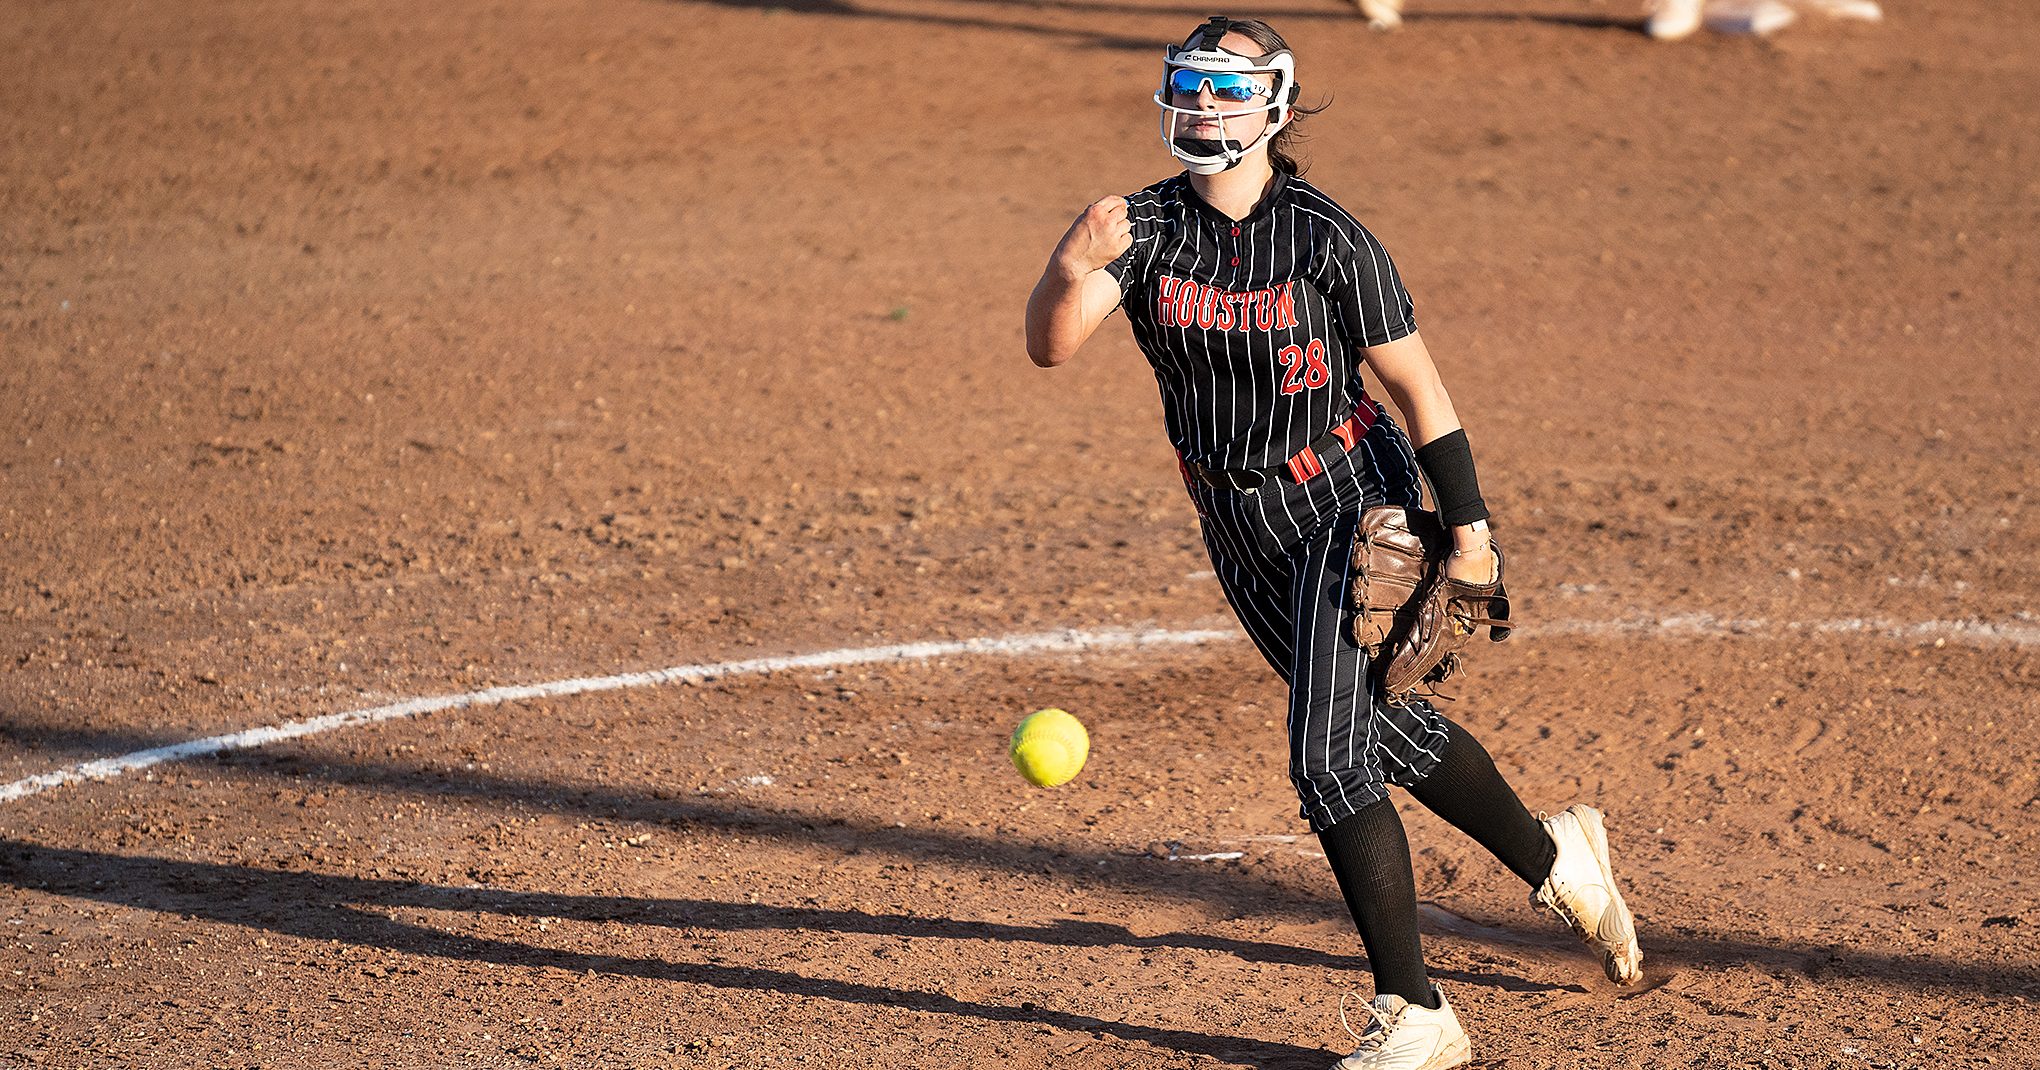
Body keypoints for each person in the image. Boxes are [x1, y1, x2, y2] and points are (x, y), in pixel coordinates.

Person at [1023, 16, 1644, 1070]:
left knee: (1326, 752)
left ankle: (1417, 1012)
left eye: (1226, 88)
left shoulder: (1324, 235)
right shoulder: (1145, 227)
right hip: (1234, 520)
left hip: (1350, 505)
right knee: (1383, 728)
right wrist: (1066, 259)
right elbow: (1051, 344)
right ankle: (1559, 855)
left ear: (1274, 104)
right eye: (1190, 84)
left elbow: (1416, 386)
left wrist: (1473, 529)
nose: (1204, 104)